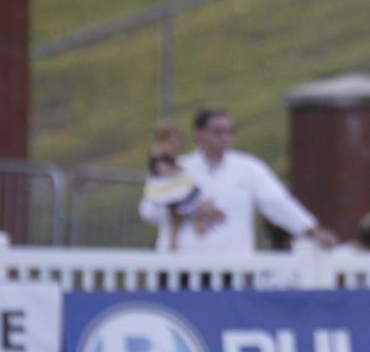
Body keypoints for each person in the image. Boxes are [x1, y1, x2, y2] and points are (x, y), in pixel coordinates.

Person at [138, 109, 334, 254]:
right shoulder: (176, 169)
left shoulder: (248, 168)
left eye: (229, 131)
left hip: (231, 266)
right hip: (184, 265)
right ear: (199, 135)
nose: (225, 137)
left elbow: (276, 202)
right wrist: (190, 209)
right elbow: (149, 211)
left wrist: (310, 230)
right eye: (217, 131)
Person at [140, 121, 216, 252]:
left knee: (189, 206)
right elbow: (164, 170)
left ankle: (199, 224)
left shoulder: (174, 160)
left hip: (174, 188)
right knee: (177, 218)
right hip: (167, 191)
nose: (177, 146)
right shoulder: (159, 156)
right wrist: (178, 172)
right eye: (173, 142)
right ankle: (173, 244)